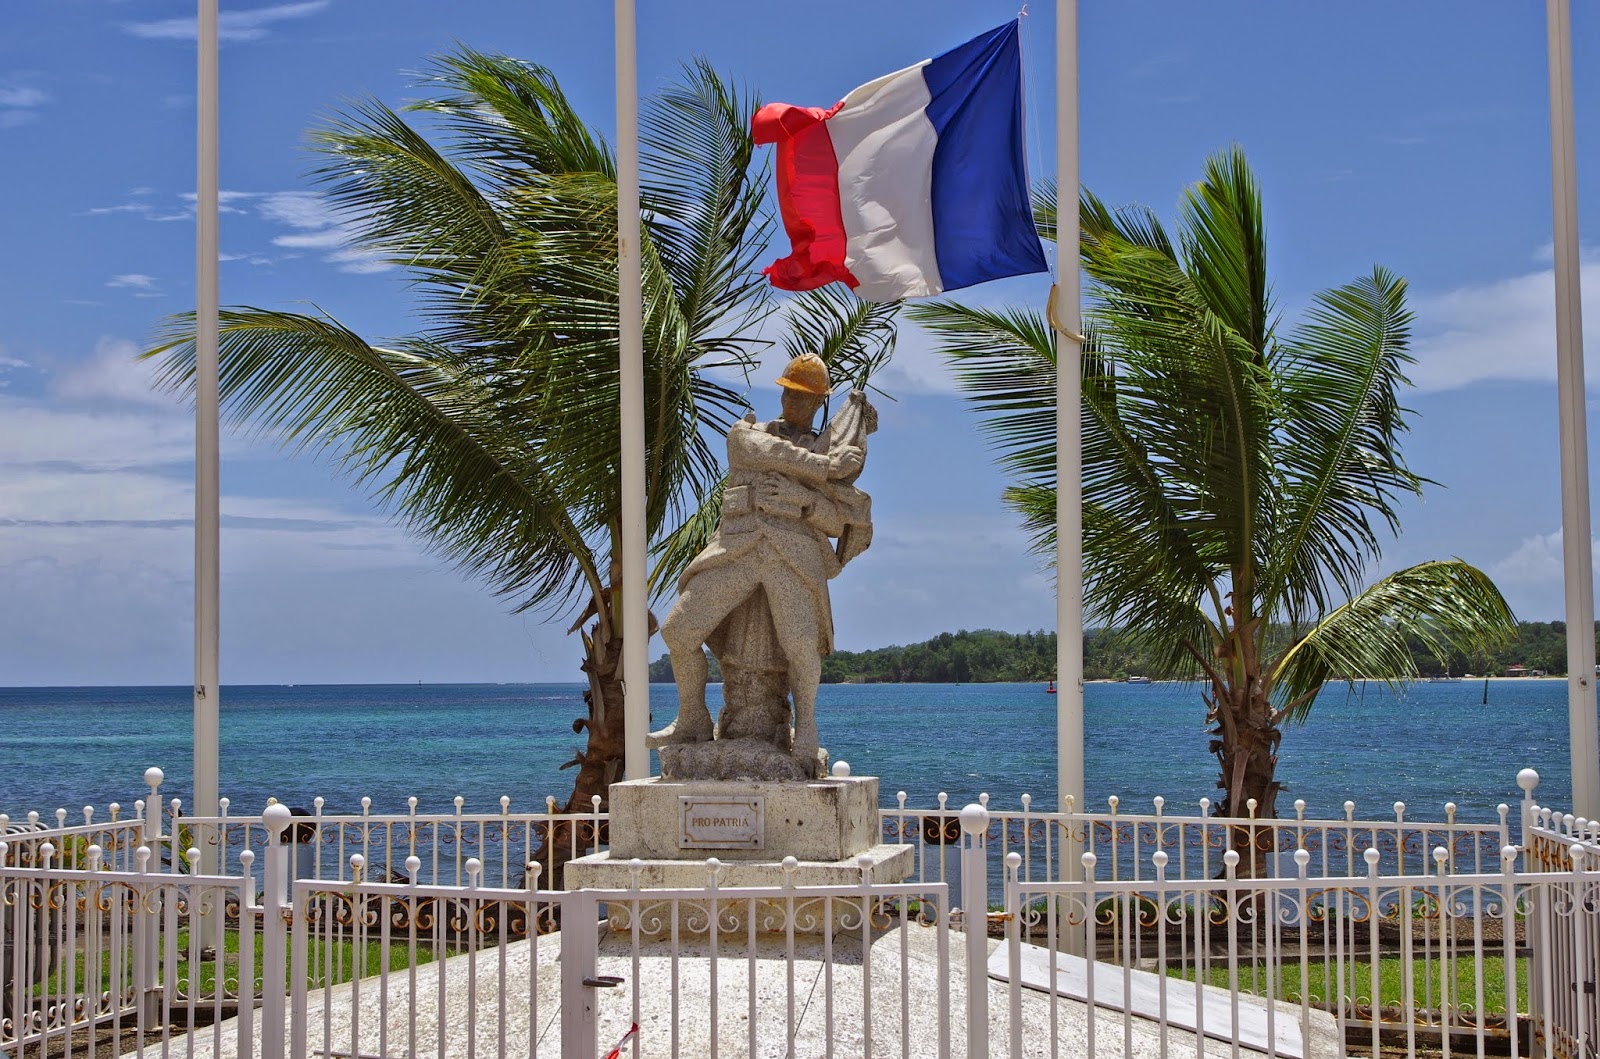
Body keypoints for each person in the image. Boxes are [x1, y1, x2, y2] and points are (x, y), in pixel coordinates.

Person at [651, 353, 873, 773]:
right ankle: (692, 718)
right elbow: (756, 451)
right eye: (788, 393)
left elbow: (838, 520)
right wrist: (825, 468)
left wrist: (803, 501)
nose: (791, 402)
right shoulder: (749, 433)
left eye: (802, 397)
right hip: (737, 546)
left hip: (792, 553)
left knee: (801, 647)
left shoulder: (827, 450)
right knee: (679, 631)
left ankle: (807, 727)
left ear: (819, 403)